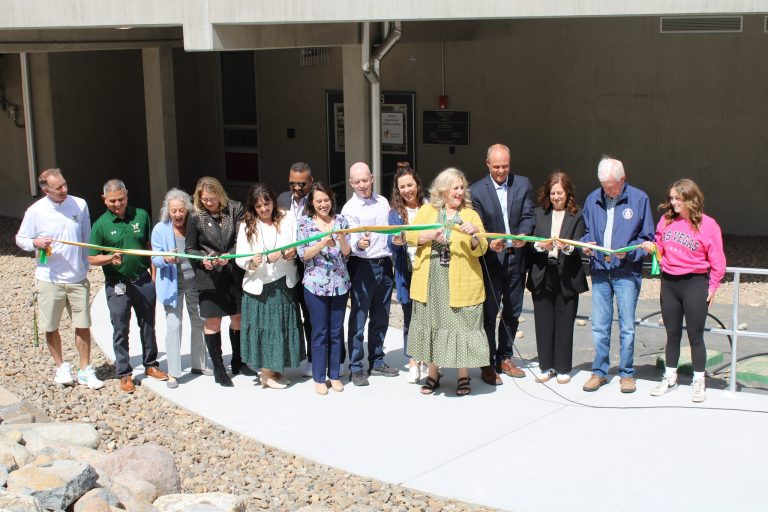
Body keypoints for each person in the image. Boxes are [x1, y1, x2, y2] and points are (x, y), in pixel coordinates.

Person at [15, 168, 103, 389]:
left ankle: (85, 369)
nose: (64, 190)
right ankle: (61, 367)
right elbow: (20, 239)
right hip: (49, 278)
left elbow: (85, 236)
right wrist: (35, 243)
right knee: (51, 325)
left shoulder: (80, 204)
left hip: (77, 277)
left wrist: (86, 266)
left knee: (82, 324)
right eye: (58, 188)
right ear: (46, 190)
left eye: (65, 184)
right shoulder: (35, 211)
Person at [406, 167, 489, 396]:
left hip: (461, 281)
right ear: (443, 190)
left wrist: (474, 236)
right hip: (431, 280)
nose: (460, 192)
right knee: (434, 323)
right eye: (455, 188)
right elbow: (411, 236)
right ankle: (433, 374)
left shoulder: (470, 215)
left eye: (462, 188)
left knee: (460, 325)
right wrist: (431, 235)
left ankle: (463, 377)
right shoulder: (427, 211)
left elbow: (482, 249)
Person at [642, 179, 725, 403]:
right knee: (672, 334)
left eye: (678, 198)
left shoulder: (708, 225)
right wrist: (653, 248)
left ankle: (699, 381)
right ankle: (669, 377)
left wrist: (713, 286)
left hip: (695, 283)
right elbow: (660, 251)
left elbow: (718, 260)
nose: (673, 202)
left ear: (690, 199)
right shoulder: (666, 221)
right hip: (669, 283)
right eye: (671, 198)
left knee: (695, 336)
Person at [581, 156, 654, 393]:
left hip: (626, 273)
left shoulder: (639, 199)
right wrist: (586, 244)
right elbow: (586, 231)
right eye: (603, 185)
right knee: (600, 326)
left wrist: (628, 254)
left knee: (626, 327)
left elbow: (647, 239)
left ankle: (626, 373)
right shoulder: (593, 199)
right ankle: (599, 371)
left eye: (611, 186)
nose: (607, 190)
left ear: (623, 179)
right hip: (601, 271)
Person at [89, 179, 168, 393]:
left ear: (127, 195)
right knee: (121, 329)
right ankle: (124, 373)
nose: (118, 204)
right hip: (117, 285)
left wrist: (153, 274)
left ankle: (151, 365)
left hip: (142, 281)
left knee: (148, 325)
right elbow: (91, 259)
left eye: (121, 199)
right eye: (113, 201)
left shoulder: (141, 215)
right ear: (104, 200)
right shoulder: (100, 225)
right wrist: (108, 259)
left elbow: (149, 246)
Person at [471, 143, 535, 386]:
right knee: (489, 312)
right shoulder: (476, 191)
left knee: (513, 310)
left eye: (505, 166)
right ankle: (487, 362)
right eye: (496, 166)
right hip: (492, 259)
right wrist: (489, 242)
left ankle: (505, 357)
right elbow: (476, 225)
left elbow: (529, 215)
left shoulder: (522, 184)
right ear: (487, 164)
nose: (501, 171)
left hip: (516, 257)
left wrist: (522, 235)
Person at [236, 183, 305, 389]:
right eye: (259, 206)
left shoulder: (287, 218)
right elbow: (240, 256)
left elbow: (298, 245)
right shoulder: (247, 225)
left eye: (267, 204)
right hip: (260, 285)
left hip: (284, 281)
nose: (264, 209)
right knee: (265, 329)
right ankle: (266, 373)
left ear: (273, 202)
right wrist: (252, 262)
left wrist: (284, 253)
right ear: (253, 208)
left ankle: (276, 370)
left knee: (281, 327)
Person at [525, 172, 588, 384]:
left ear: (567, 192)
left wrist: (567, 246)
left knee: (564, 322)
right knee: (543, 323)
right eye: (552, 193)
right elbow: (530, 242)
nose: (556, 197)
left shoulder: (577, 215)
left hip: (567, 275)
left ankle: (562, 368)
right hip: (543, 273)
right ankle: (546, 366)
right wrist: (539, 245)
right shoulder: (538, 213)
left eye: (560, 192)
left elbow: (579, 243)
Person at [341, 162, 398, 386]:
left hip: (384, 265)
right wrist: (361, 243)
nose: (362, 185)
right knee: (358, 317)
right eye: (358, 182)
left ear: (372, 178)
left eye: (365, 180)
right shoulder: (349, 209)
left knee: (381, 315)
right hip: (362, 266)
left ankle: (377, 360)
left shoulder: (383, 202)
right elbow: (350, 241)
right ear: (351, 183)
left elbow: (389, 233)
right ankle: (356, 367)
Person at [186, 176, 245, 388]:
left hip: (233, 273)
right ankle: (219, 367)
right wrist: (204, 261)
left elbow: (243, 239)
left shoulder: (235, 209)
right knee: (213, 321)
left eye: (212, 199)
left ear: (220, 195)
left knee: (237, 316)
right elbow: (190, 248)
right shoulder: (195, 217)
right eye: (204, 200)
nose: (208, 203)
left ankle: (239, 360)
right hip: (209, 277)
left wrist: (229, 255)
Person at [151, 188, 209, 389]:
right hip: (172, 285)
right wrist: (166, 258)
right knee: (174, 326)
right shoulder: (160, 229)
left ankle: (199, 364)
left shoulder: (194, 225)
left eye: (181, 210)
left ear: (187, 210)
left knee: (199, 322)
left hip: (195, 282)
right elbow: (155, 258)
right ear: (168, 210)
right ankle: (174, 373)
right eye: (173, 211)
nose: (177, 214)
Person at [297, 182, 352, 395]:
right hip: (314, 285)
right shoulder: (304, 224)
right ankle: (319, 377)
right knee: (319, 331)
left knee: (336, 332)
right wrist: (322, 243)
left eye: (326, 200)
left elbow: (347, 253)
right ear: (312, 203)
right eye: (318, 200)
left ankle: (335, 375)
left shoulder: (341, 221)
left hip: (339, 284)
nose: (323, 204)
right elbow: (303, 254)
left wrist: (342, 239)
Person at [387, 162, 427, 383]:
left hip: (429, 270)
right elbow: (391, 243)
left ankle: (430, 361)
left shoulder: (429, 208)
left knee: (430, 318)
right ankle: (413, 361)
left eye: (410, 185)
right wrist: (394, 240)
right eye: (402, 187)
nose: (407, 190)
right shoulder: (395, 213)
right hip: (407, 271)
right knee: (410, 318)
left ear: (417, 185)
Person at [277, 162, 314, 377]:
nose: (297, 188)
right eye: (293, 184)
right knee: (288, 315)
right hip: (286, 266)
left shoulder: (319, 198)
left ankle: (312, 359)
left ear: (310, 181)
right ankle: (286, 357)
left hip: (311, 266)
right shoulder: (281, 200)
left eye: (301, 184)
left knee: (310, 315)